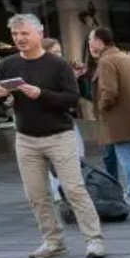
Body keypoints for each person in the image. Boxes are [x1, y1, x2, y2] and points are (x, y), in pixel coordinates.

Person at [0, 13, 106, 258]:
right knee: (36, 194)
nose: (19, 39)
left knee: (74, 189)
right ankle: (53, 242)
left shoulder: (57, 65)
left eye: (25, 34)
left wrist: (40, 94)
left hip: (59, 135)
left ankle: (94, 240)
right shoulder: (7, 64)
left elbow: (72, 99)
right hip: (25, 137)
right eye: (15, 34)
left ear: (39, 34)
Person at [89, 27, 130, 203]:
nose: (89, 43)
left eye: (91, 39)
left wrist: (102, 107)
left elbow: (109, 91)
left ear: (99, 41)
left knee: (126, 155)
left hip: (118, 117)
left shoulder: (106, 61)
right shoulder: (127, 57)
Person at [41, 38, 88, 202]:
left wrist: (77, 78)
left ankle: (72, 187)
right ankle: (57, 190)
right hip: (49, 120)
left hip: (66, 118)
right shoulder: (43, 72)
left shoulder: (62, 70)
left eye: (59, 52)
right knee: (55, 157)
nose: (58, 55)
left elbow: (75, 96)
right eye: (54, 52)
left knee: (77, 152)